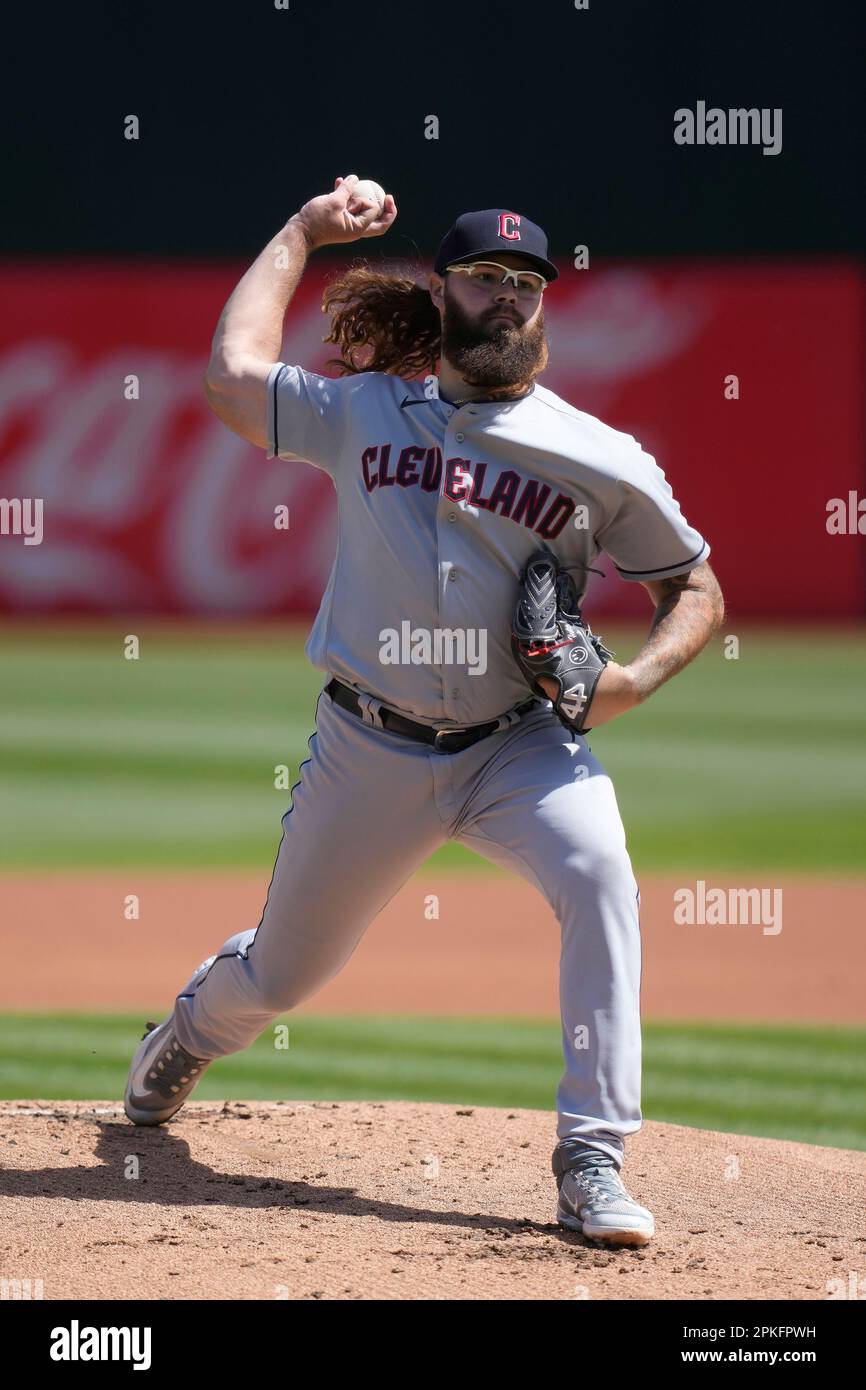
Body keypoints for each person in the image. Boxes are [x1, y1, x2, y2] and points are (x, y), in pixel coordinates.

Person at [123, 175, 724, 1247]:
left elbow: (693, 585)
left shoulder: (596, 454)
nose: (507, 298)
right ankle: (188, 1031)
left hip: (519, 744)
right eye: (486, 277)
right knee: (280, 975)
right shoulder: (358, 410)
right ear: (441, 290)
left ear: (542, 307)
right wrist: (302, 231)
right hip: (369, 744)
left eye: (526, 283)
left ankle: (591, 1154)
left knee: (599, 877)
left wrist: (633, 678)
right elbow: (229, 375)